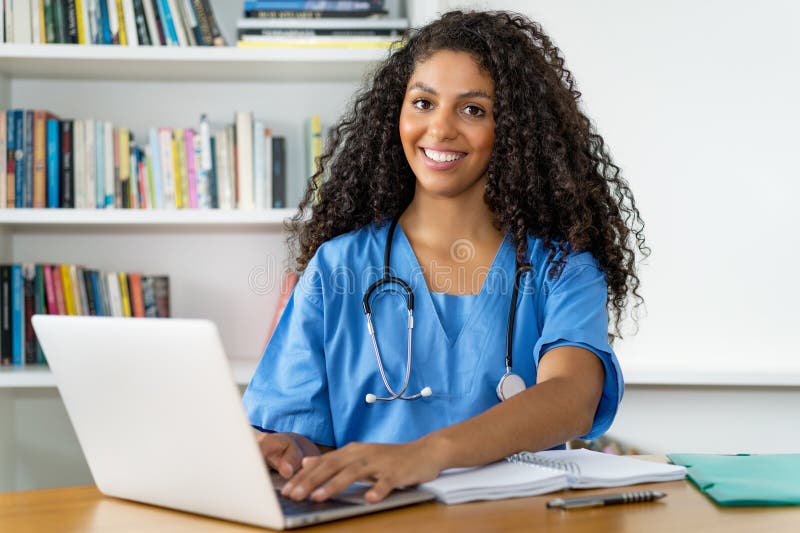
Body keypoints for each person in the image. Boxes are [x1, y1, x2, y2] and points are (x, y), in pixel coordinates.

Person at [243, 10, 648, 504]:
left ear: (513, 128)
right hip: (372, 518)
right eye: (423, 102)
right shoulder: (337, 267)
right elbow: (304, 436)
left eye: (473, 109)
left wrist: (428, 452)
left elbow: (572, 396)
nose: (440, 128)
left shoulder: (561, 267)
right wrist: (283, 450)